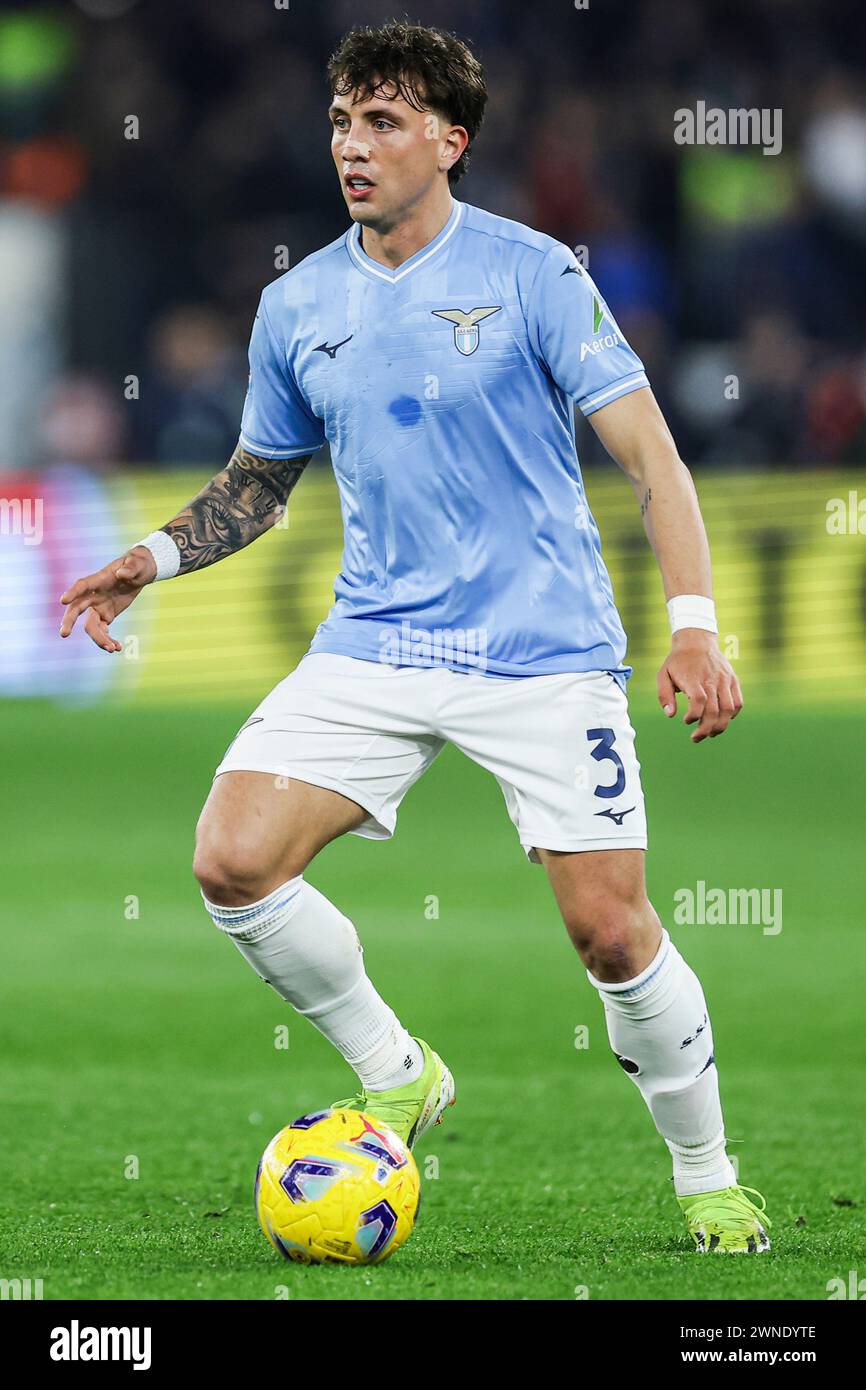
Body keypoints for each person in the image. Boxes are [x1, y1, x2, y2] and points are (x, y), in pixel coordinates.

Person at [59, 21, 770, 1255]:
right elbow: (258, 481)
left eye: (382, 122)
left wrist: (695, 626)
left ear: (449, 140)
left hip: (541, 648)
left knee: (608, 930)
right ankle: (398, 1071)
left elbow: (649, 454)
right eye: (340, 120)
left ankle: (704, 1175)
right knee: (231, 859)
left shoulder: (537, 272)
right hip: (376, 642)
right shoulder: (297, 303)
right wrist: (153, 557)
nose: (352, 144)